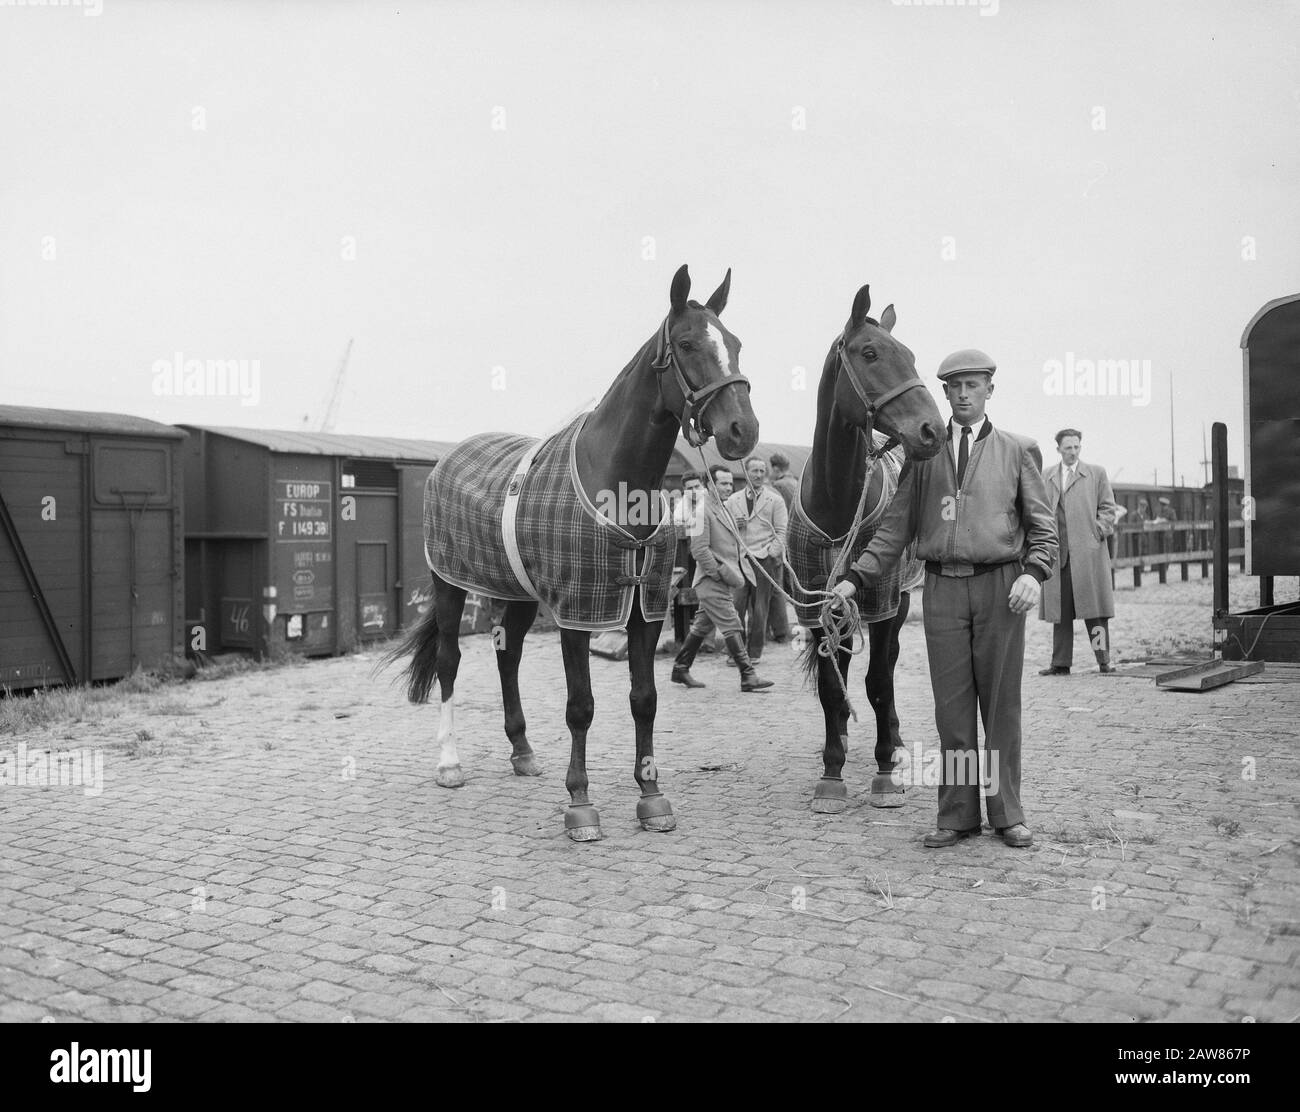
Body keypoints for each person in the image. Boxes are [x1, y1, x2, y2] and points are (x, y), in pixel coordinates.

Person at [829, 349, 1056, 850]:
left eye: (974, 385)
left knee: (1001, 710)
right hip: (943, 591)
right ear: (945, 393)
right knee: (952, 714)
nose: (964, 394)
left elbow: (1044, 530)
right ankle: (956, 815)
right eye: (954, 386)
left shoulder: (1018, 452)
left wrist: (1034, 575)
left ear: (990, 390)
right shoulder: (923, 455)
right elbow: (894, 529)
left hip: (1001, 589)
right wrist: (855, 579)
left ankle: (1007, 814)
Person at [671, 465, 774, 692]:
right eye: (723, 483)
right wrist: (718, 573)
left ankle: (680, 667)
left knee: (700, 627)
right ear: (710, 485)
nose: (728, 487)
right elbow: (698, 550)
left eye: (730, 483)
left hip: (725, 579)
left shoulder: (723, 508)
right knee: (731, 623)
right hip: (711, 581)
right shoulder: (701, 512)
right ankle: (748, 675)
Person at [1038, 429, 1119, 675]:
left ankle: (1103, 660)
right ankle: (1060, 663)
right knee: (1059, 612)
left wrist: (1097, 532)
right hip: (1059, 556)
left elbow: (1108, 509)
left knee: (1094, 612)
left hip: (1088, 555)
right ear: (1059, 450)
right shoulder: (1048, 475)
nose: (1072, 452)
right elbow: (1040, 509)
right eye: (1067, 448)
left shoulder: (1095, 474)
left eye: (1076, 447)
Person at [726, 456, 789, 664]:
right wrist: (736, 525)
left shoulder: (775, 500)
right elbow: (724, 529)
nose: (759, 475)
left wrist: (772, 552)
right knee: (736, 606)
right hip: (739, 560)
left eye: (762, 471)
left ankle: (754, 653)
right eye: (755, 471)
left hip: (764, 560)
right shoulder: (733, 500)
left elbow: (782, 531)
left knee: (760, 609)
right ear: (746, 473)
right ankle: (735, 652)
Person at [767, 452, 800, 642]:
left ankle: (780, 632)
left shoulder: (778, 487)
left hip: (782, 540)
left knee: (779, 588)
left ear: (776, 468)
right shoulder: (796, 482)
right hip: (797, 539)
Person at [670, 471, 705, 643]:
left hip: (708, 550)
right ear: (684, 490)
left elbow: (701, 522)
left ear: (702, 486)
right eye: (690, 488)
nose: (694, 490)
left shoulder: (708, 500)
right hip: (689, 551)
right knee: (687, 583)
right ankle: (689, 628)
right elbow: (677, 522)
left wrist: (690, 524)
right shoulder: (682, 504)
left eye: (697, 486)